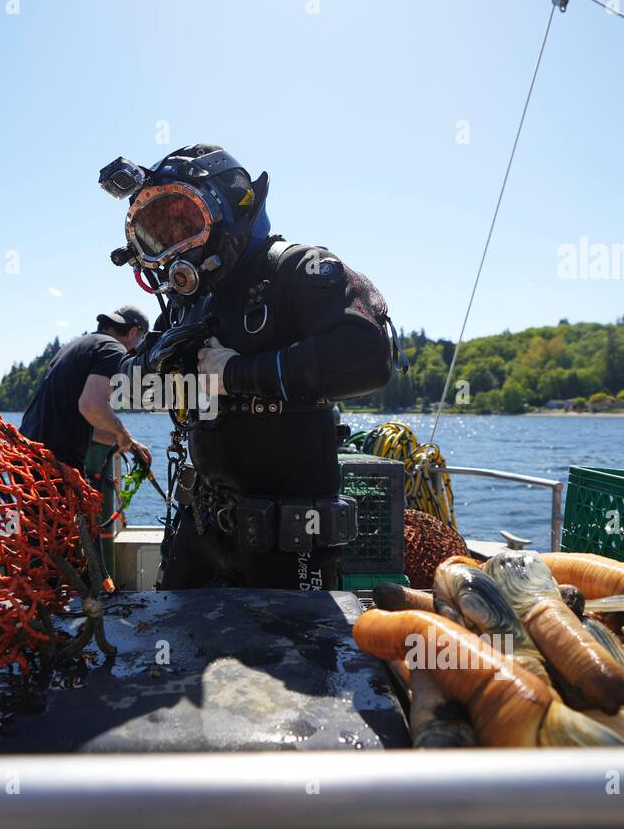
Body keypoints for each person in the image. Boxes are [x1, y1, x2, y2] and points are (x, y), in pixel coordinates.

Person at [98, 144, 404, 591]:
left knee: (293, 656)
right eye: (157, 235)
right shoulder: (189, 306)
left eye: (184, 223)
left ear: (230, 208)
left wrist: (237, 374)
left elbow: (369, 356)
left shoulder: (296, 270)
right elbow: (125, 391)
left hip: (290, 540)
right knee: (176, 647)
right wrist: (160, 363)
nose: (172, 246)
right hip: (201, 529)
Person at [19, 307, 153, 577]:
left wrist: (128, 442)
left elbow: (86, 419)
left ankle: (37, 610)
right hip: (54, 468)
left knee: (39, 552)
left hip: (29, 459)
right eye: (139, 343)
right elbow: (91, 405)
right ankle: (60, 612)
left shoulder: (79, 345)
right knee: (56, 558)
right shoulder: (114, 350)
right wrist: (122, 433)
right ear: (135, 333)